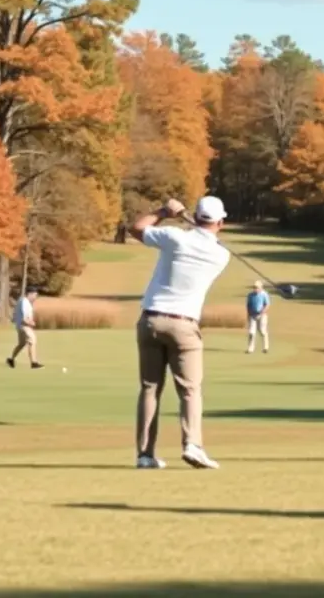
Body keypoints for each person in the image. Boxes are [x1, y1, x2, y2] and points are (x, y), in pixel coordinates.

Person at [129, 196, 231, 470]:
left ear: (196, 217)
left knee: (150, 389)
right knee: (190, 389)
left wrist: (163, 212)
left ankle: (145, 455)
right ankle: (192, 445)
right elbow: (206, 238)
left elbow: (136, 228)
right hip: (184, 325)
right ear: (221, 222)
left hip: (150, 320)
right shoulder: (222, 255)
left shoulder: (174, 237)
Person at [6, 286, 41, 369]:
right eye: (35, 295)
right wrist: (31, 323)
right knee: (32, 340)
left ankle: (11, 359)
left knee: (21, 344)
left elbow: (15, 316)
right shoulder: (25, 302)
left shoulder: (22, 301)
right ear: (30, 294)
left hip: (20, 326)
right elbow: (24, 318)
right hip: (24, 326)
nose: (36, 297)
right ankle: (34, 363)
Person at [245, 280, 270, 354]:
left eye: (257, 287)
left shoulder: (264, 294)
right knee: (251, 332)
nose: (256, 289)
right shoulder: (250, 295)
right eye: (254, 287)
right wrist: (248, 314)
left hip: (262, 315)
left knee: (262, 331)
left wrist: (261, 314)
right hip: (252, 315)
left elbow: (267, 305)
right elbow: (248, 305)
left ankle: (266, 347)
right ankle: (250, 348)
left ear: (261, 287)